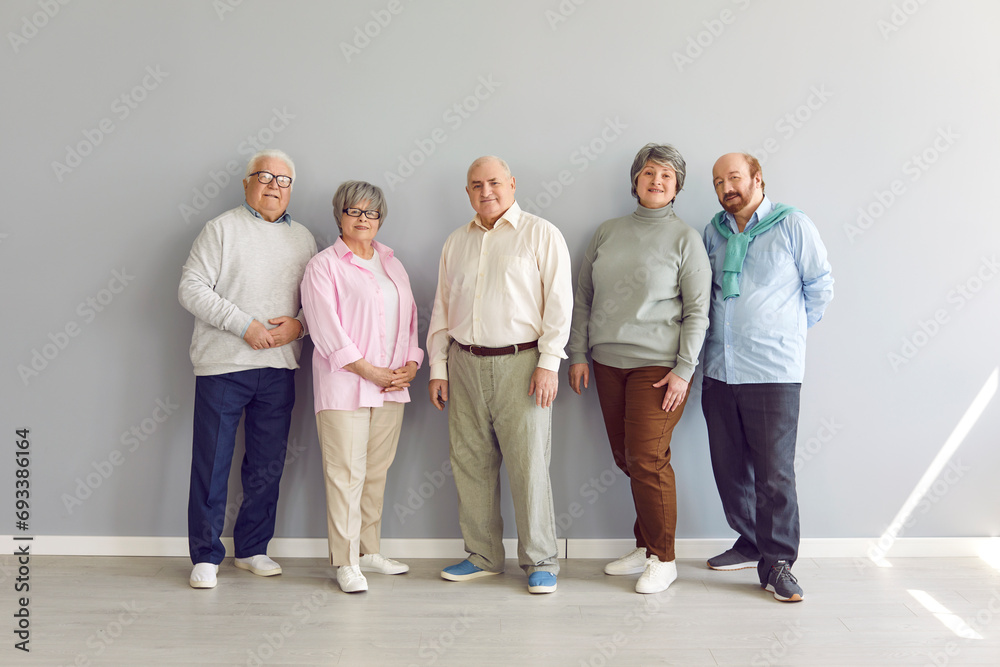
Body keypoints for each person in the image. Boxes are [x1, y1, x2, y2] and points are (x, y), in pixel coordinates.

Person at [567, 143, 711, 594]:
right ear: (635, 180)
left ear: (677, 187)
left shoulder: (686, 239)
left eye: (667, 176)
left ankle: (664, 558)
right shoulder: (607, 232)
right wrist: (576, 354)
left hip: (659, 367)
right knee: (627, 457)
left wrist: (684, 370)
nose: (657, 181)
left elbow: (698, 311)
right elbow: (583, 297)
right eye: (649, 173)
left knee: (648, 460)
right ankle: (646, 546)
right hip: (607, 363)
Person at [426, 155, 573, 594]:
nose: (485, 191)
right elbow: (441, 307)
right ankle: (484, 555)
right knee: (469, 462)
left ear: (512, 183)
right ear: (467, 192)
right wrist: (438, 366)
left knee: (529, 466)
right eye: (476, 185)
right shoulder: (456, 241)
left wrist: (549, 363)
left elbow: (560, 305)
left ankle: (540, 560)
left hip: (523, 363)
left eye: (493, 182)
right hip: (463, 362)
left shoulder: (541, 233)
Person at [179, 149, 317, 589]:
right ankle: (205, 556)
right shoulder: (221, 230)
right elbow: (190, 288)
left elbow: (320, 306)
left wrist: (299, 326)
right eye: (264, 177)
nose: (274, 186)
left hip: (279, 368)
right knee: (212, 463)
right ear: (246, 184)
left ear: (292, 189)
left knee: (266, 465)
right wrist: (244, 326)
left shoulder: (306, 239)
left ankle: (253, 549)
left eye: (283, 180)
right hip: (223, 365)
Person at [701, 152, 834, 602]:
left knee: (774, 475)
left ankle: (777, 562)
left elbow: (820, 286)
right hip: (720, 369)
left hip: (773, 370)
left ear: (757, 179)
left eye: (734, 177)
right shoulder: (712, 233)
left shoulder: (792, 224)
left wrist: (784, 333)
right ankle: (750, 540)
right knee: (728, 468)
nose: (726, 187)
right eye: (718, 181)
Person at [299, 181, 423, 594]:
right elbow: (325, 330)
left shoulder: (392, 263)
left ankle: (369, 550)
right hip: (345, 385)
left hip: (392, 386)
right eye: (355, 212)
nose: (364, 219)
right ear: (339, 216)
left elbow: (409, 323)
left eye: (371, 213)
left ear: (381, 218)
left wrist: (411, 363)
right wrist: (369, 371)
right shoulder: (324, 266)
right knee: (345, 474)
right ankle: (346, 560)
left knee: (375, 473)